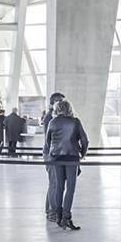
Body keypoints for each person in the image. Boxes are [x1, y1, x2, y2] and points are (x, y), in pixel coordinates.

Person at [44, 98, 88, 230]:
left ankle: (58, 216)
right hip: (71, 158)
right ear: (69, 109)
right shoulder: (75, 122)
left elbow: (48, 142)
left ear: (57, 109)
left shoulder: (52, 122)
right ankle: (66, 217)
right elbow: (85, 141)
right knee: (70, 188)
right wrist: (82, 154)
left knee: (59, 187)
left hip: (56, 158)